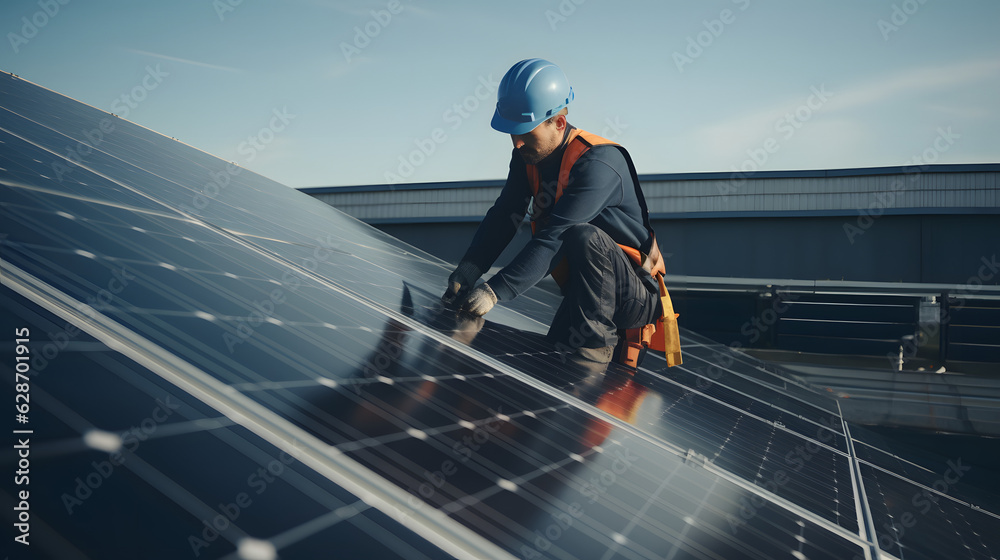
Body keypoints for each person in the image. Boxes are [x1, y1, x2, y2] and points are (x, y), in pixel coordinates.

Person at [442, 58, 681, 367]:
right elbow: (505, 215)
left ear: (557, 122)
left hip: (633, 294)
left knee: (582, 235)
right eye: (512, 133)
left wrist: (493, 292)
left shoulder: (599, 163)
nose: (517, 143)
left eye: (525, 132)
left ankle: (593, 356)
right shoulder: (527, 156)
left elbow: (555, 236)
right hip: (585, 294)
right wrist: (470, 269)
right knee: (548, 361)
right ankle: (581, 355)